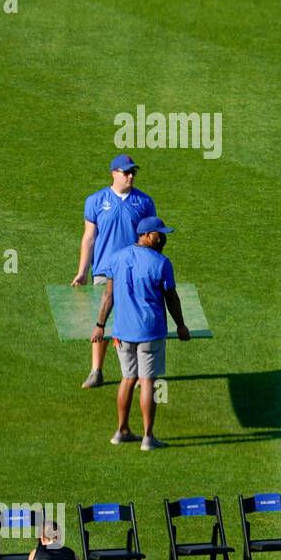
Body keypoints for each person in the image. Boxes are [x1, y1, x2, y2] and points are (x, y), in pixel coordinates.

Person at [91, 216, 190, 450]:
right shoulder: (162, 263)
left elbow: (108, 295)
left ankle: (122, 431)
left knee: (128, 379)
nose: (163, 237)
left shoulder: (117, 258)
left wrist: (100, 324)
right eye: (159, 233)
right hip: (150, 330)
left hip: (123, 331)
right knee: (147, 381)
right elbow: (172, 299)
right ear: (145, 235)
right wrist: (181, 326)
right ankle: (148, 437)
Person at [73, 154, 157, 389]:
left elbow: (152, 238)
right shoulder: (95, 201)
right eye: (126, 172)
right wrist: (82, 271)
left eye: (133, 172)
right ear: (114, 173)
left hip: (135, 271)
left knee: (135, 320)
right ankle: (96, 371)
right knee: (101, 320)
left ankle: (139, 374)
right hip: (104, 270)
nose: (131, 176)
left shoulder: (144, 202)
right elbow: (89, 238)